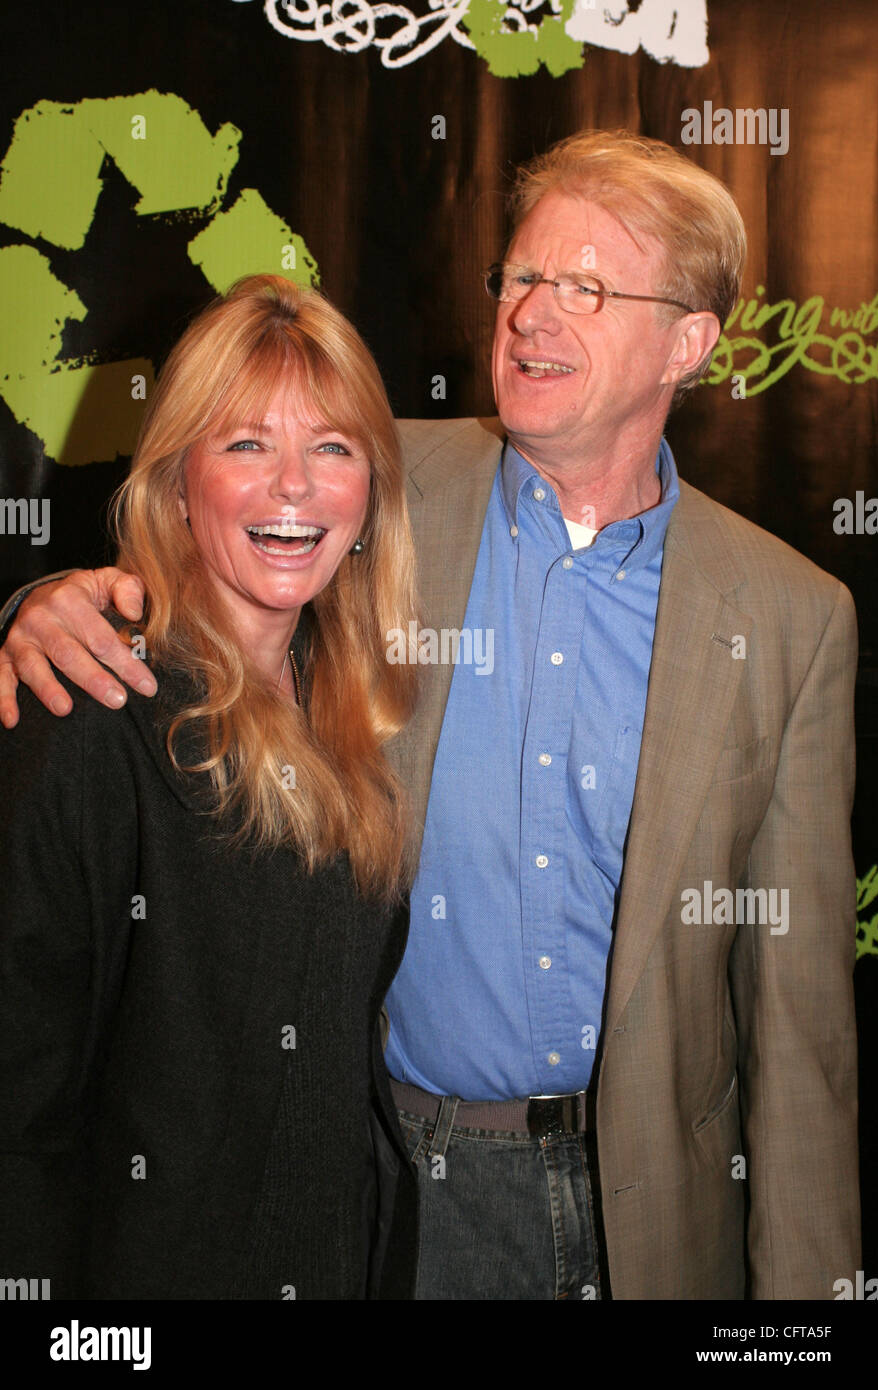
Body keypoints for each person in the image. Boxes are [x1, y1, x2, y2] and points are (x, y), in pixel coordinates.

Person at [0, 132, 860, 1301]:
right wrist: (45, 602)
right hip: (401, 1197)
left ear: (688, 341)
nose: (528, 314)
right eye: (518, 277)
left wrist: (801, 1316)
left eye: (586, 286)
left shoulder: (790, 614)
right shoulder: (373, 485)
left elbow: (798, 1028)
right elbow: (207, 542)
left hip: (660, 1216)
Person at [0, 274, 421, 1299]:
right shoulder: (96, 706)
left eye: (331, 446)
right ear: (178, 481)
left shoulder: (351, 707)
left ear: (369, 494)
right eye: (245, 444)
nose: (293, 487)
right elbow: (19, 1111)